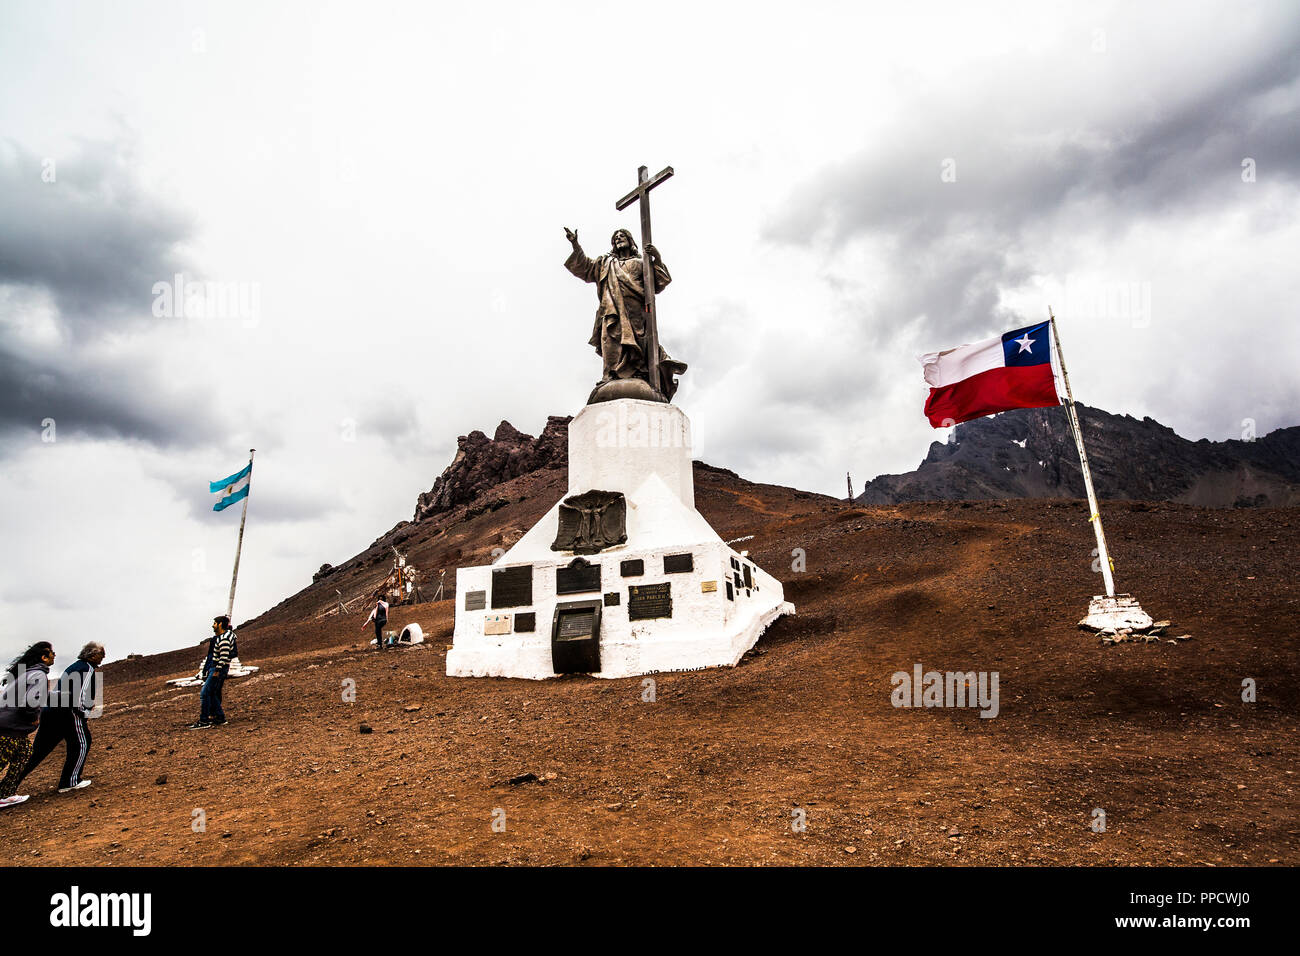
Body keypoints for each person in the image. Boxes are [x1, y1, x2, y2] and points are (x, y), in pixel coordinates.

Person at [563, 226, 687, 399]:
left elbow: (660, 282)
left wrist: (657, 258)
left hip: (635, 311)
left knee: (638, 342)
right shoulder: (605, 263)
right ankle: (610, 375)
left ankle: (639, 373)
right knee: (610, 339)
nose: (619, 238)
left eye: (623, 236)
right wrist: (575, 245)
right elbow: (585, 267)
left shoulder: (641, 262)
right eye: (616, 237)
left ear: (630, 241)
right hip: (611, 309)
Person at [19, 641, 104, 793]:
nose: (103, 657)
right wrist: (84, 712)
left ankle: (8, 785)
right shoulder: (86, 668)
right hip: (68, 712)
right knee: (82, 742)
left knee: (38, 752)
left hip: (51, 711)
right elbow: (78, 696)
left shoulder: (73, 667)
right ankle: (70, 781)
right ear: (92, 655)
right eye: (101, 654)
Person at [0, 641, 54, 809]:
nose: (54, 656)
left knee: (24, 753)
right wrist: (33, 718)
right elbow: (29, 702)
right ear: (44, 657)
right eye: (52, 654)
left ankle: (5, 794)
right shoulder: (38, 674)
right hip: (10, 727)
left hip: (10, 725)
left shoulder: (25, 674)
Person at [187, 616, 236, 730]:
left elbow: (224, 656)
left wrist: (217, 670)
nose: (213, 625)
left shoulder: (223, 639)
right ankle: (220, 717)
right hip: (217, 668)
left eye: (215, 623)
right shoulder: (222, 637)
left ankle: (204, 720)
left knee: (205, 693)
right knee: (212, 693)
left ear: (220, 624)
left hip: (218, 669)